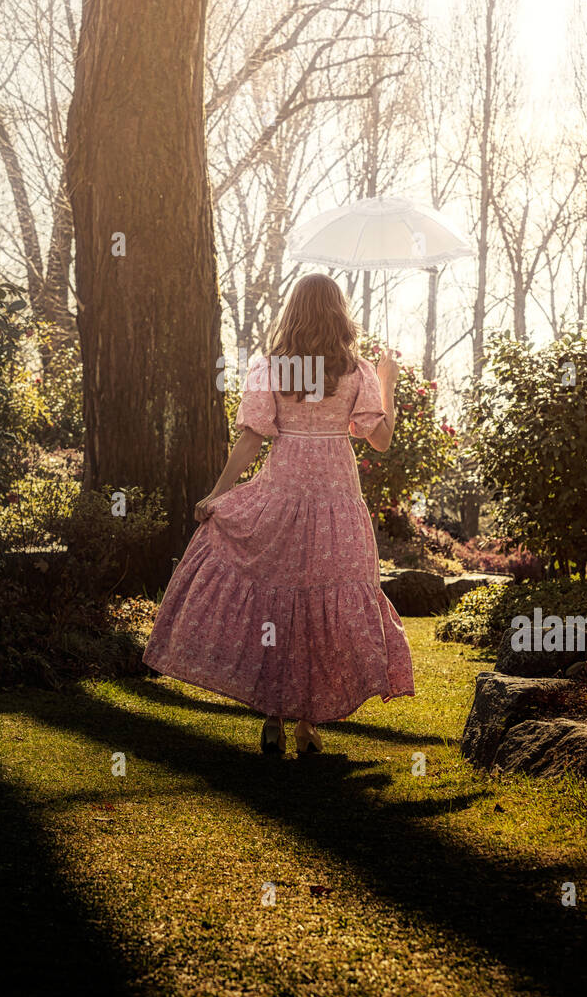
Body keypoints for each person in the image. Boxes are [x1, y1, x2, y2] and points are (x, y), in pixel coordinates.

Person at [142, 273, 415, 756]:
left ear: (293, 312)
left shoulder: (272, 368)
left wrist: (219, 494)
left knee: (278, 604)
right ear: (338, 313)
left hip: (284, 493)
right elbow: (381, 439)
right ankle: (307, 725)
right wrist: (388, 382)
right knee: (317, 604)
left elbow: (252, 437)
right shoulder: (358, 371)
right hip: (335, 499)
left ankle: (274, 719)